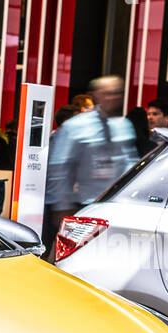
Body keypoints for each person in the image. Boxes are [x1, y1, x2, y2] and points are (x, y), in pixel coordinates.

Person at [44, 76, 138, 255]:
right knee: (74, 259)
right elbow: (59, 169)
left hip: (115, 206)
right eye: (106, 93)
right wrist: (61, 207)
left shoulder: (124, 126)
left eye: (116, 93)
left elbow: (130, 165)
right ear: (95, 95)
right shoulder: (76, 126)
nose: (112, 98)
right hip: (83, 206)